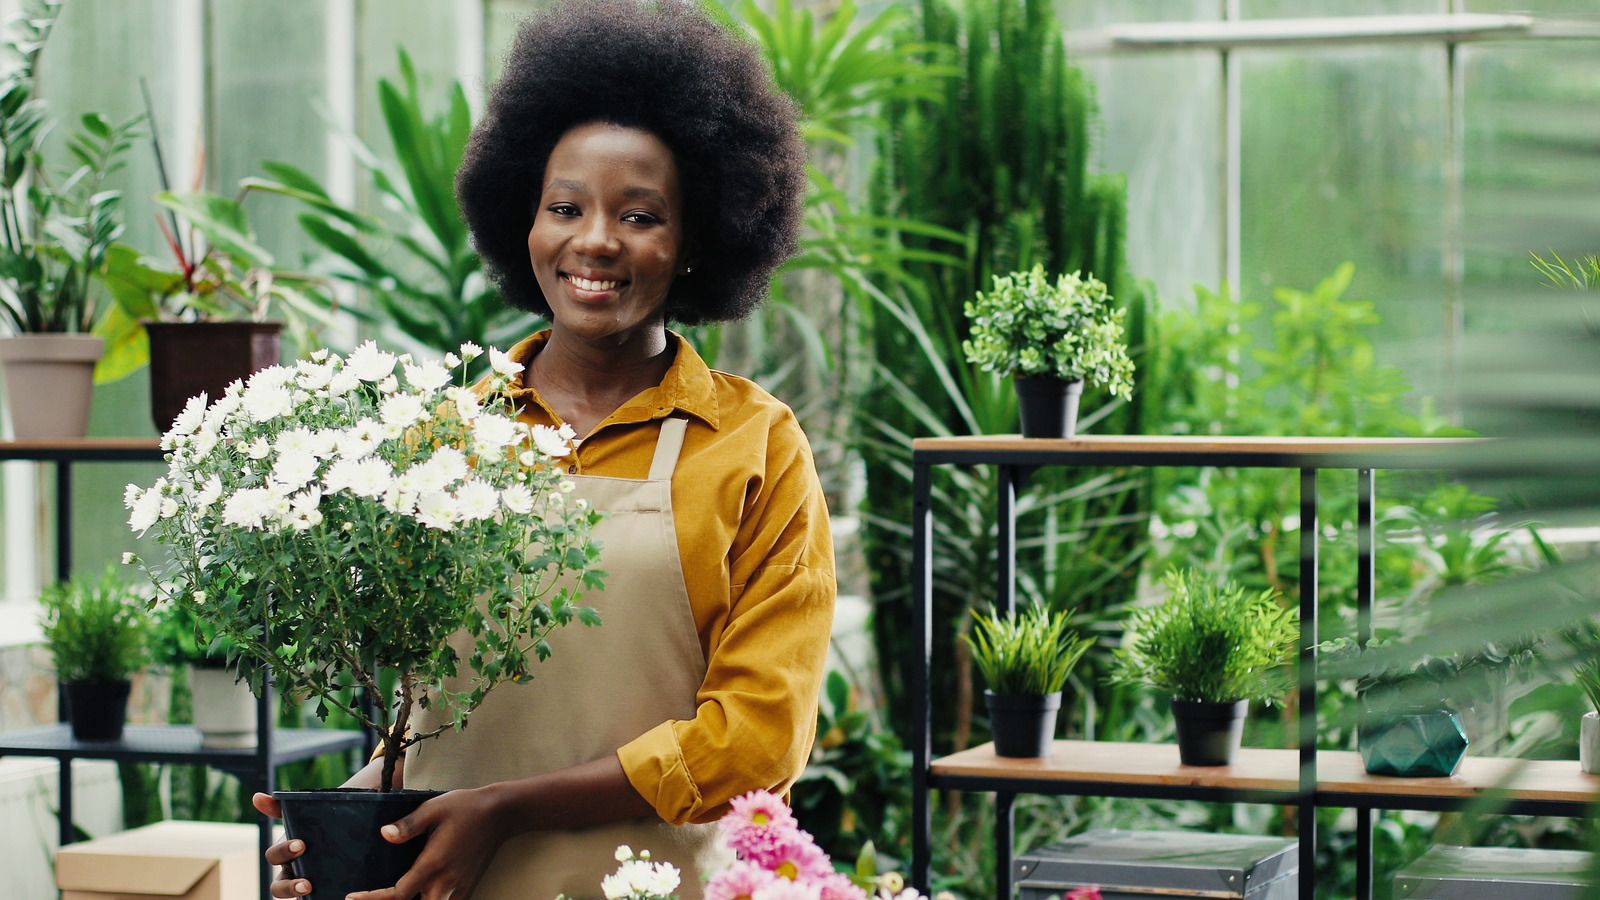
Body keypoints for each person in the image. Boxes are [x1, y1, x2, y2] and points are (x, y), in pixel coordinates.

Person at [250, 2, 833, 898]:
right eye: (565, 207)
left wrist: (508, 809)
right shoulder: (445, 440)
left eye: (640, 215)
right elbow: (434, 709)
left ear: (694, 243)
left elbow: (758, 742)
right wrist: (355, 820)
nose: (594, 240)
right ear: (523, 223)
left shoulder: (754, 448)